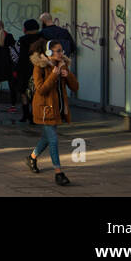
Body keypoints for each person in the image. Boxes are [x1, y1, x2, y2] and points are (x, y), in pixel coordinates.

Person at [27, 39, 79, 186]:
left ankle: (32, 157)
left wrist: (66, 74)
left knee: (46, 138)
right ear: (49, 52)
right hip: (44, 109)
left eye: (62, 50)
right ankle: (58, 173)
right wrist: (53, 75)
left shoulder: (63, 65)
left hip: (58, 109)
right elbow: (41, 89)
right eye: (57, 51)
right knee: (53, 140)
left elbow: (75, 87)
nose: (61, 54)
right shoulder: (40, 67)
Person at [16, 19, 44, 123]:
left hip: (24, 69)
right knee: (36, 92)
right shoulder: (43, 39)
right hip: (38, 69)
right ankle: (34, 115)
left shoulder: (22, 40)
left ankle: (25, 114)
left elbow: (21, 57)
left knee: (24, 91)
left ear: (25, 29)